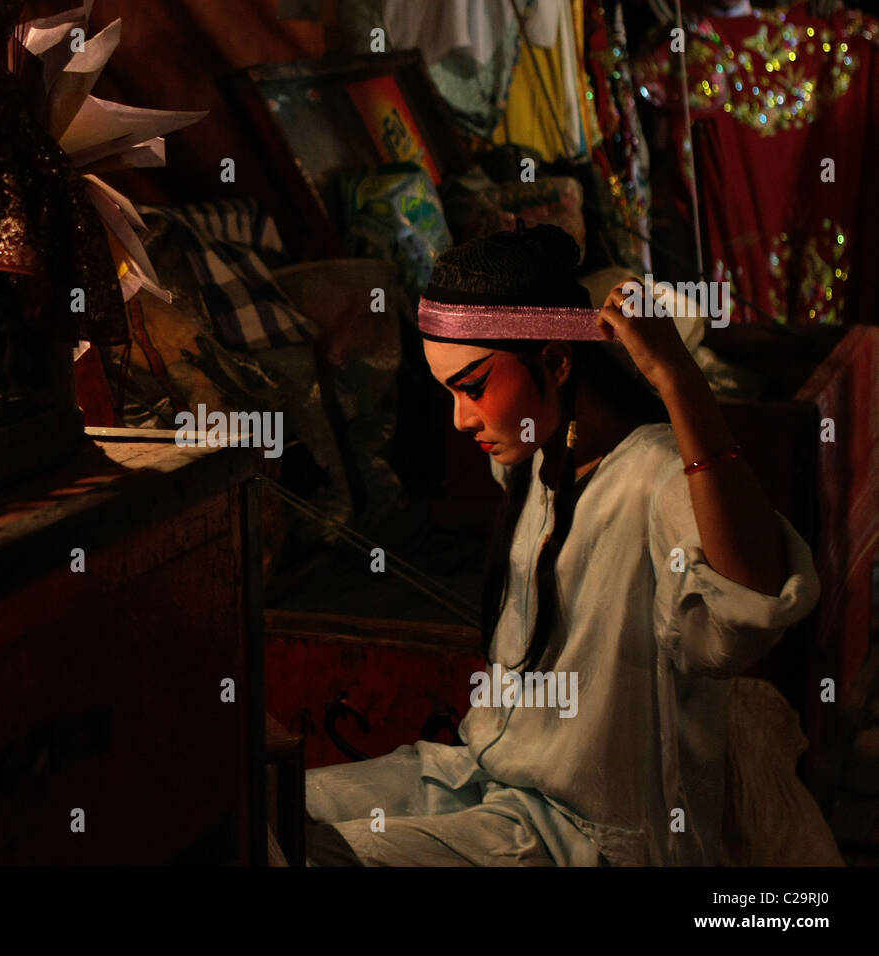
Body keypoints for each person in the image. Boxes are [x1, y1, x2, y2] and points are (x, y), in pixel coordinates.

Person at [305, 225, 821, 866]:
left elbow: (751, 599)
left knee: (327, 858)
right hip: (487, 780)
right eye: (451, 394)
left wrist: (674, 375)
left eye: (472, 387)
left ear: (555, 361)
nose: (462, 419)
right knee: (282, 808)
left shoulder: (654, 477)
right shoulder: (538, 459)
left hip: (590, 837)